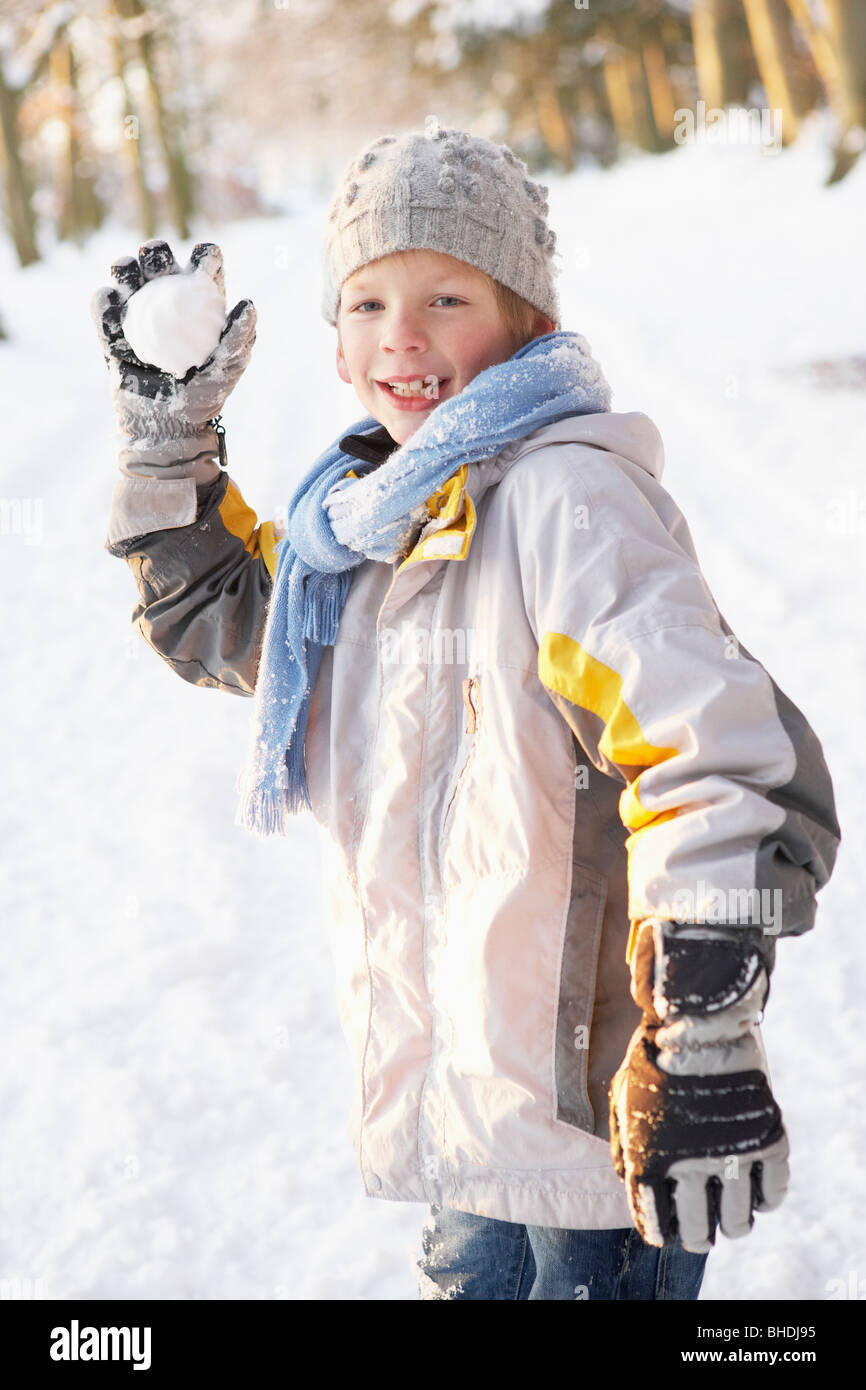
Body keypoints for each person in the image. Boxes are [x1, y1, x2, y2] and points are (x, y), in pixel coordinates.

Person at [91, 115, 840, 1301]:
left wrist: (698, 1027)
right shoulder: (369, 525)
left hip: (588, 1138)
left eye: (446, 298)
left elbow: (716, 760)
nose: (403, 338)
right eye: (368, 304)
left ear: (524, 323)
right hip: (464, 1125)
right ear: (334, 346)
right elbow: (228, 617)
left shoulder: (562, 503)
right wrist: (169, 437)